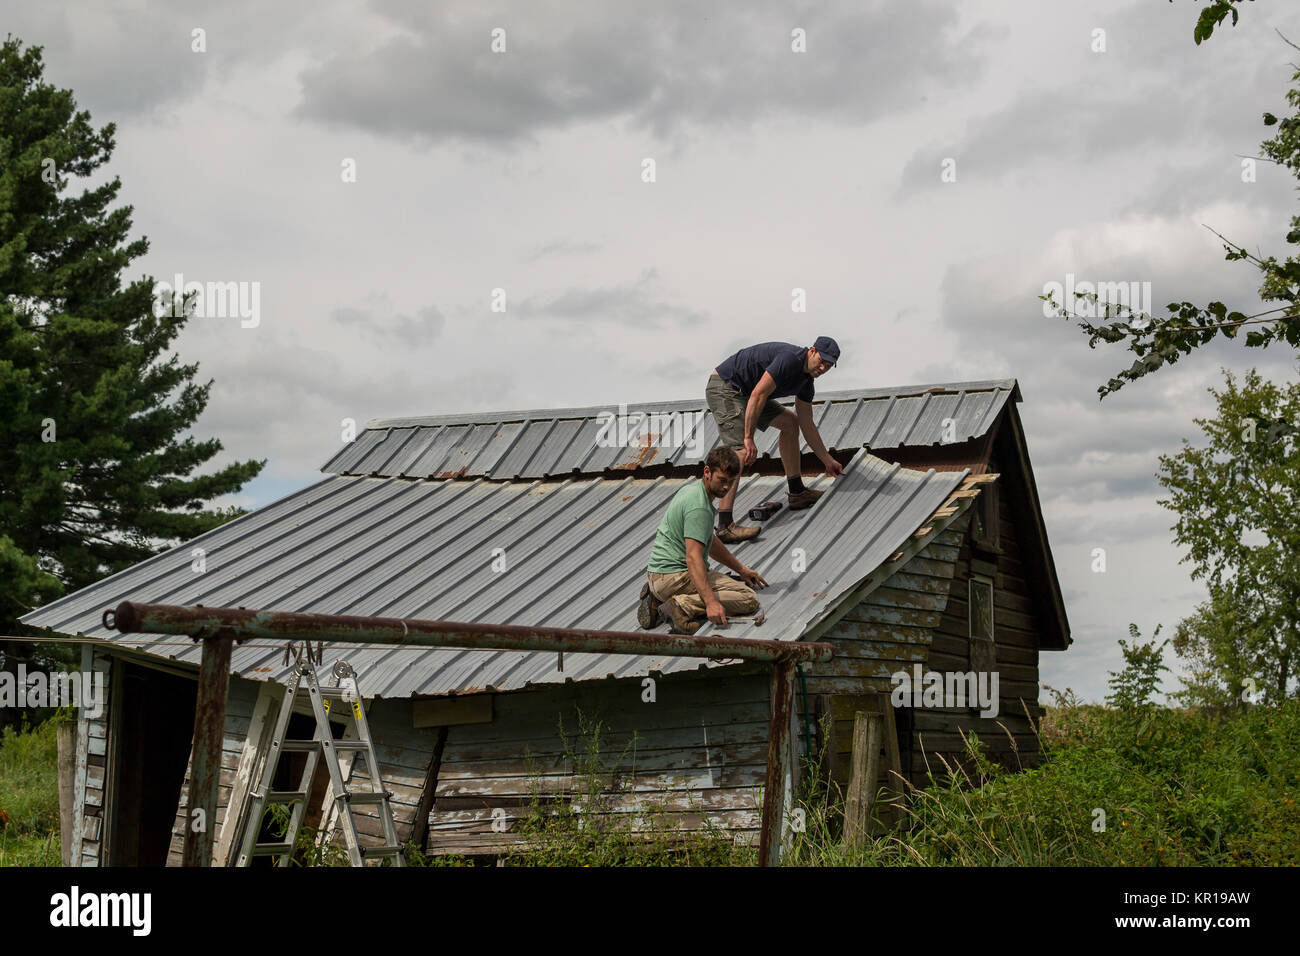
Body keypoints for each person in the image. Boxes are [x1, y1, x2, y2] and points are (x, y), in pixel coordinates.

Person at [705, 336, 845, 543]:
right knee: (740, 452)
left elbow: (807, 424)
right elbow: (758, 396)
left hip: (749, 394)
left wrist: (827, 460)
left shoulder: (806, 383)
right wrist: (748, 437)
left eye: (829, 365)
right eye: (821, 361)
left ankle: (797, 493)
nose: (823, 367)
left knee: (792, 423)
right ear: (812, 351)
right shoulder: (790, 360)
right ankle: (725, 526)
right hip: (726, 387)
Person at [638, 446, 769, 634]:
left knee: (726, 583)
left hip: (658, 574)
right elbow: (693, 558)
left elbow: (709, 540)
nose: (726, 487)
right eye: (722, 480)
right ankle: (681, 605)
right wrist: (711, 603)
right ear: (707, 472)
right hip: (676, 576)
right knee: (748, 598)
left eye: (731, 482)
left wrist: (740, 569)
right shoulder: (700, 508)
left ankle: (657, 597)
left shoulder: (691, 490)